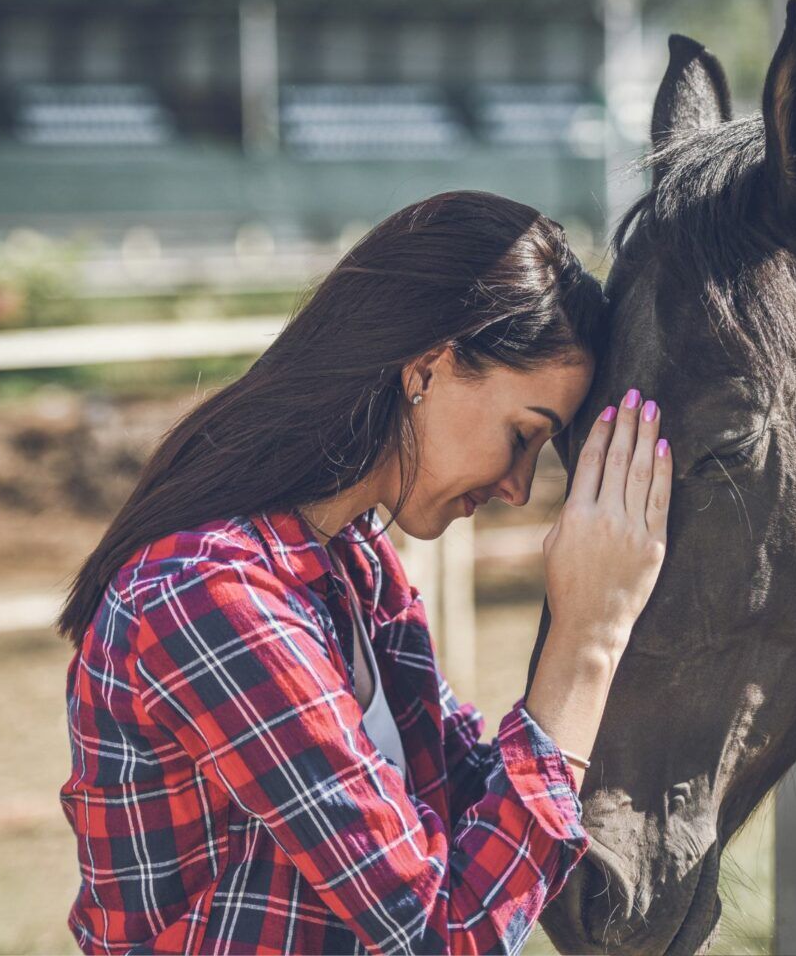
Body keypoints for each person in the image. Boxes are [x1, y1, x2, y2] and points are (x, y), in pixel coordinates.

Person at [54, 190, 673, 955]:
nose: (518, 486)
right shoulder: (210, 596)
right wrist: (587, 640)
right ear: (428, 368)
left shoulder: (354, 571)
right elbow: (444, 935)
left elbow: (459, 802)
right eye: (522, 434)